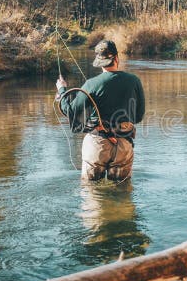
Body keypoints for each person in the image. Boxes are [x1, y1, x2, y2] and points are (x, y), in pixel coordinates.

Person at [56, 40, 145, 181]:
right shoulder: (134, 81)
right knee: (122, 190)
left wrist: (62, 90)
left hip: (97, 145)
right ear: (116, 58)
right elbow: (138, 116)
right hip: (124, 145)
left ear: (99, 62)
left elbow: (70, 111)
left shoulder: (91, 84)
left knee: (91, 190)